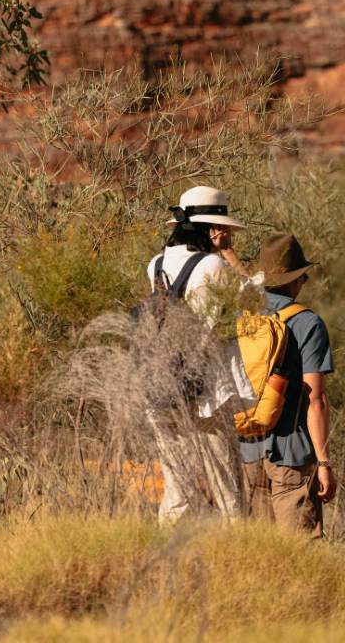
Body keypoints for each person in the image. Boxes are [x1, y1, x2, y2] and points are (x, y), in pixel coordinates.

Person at [144, 184, 251, 523]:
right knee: (226, 486)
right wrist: (229, 256)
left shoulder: (155, 264)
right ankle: (238, 547)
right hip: (209, 391)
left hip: (165, 385)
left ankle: (167, 548)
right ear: (213, 229)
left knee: (177, 488)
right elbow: (256, 302)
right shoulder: (214, 266)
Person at [239, 233, 336, 537]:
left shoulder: (243, 317)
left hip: (248, 449)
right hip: (291, 454)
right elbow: (315, 399)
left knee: (259, 551)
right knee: (300, 549)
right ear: (296, 280)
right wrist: (324, 462)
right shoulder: (307, 323)